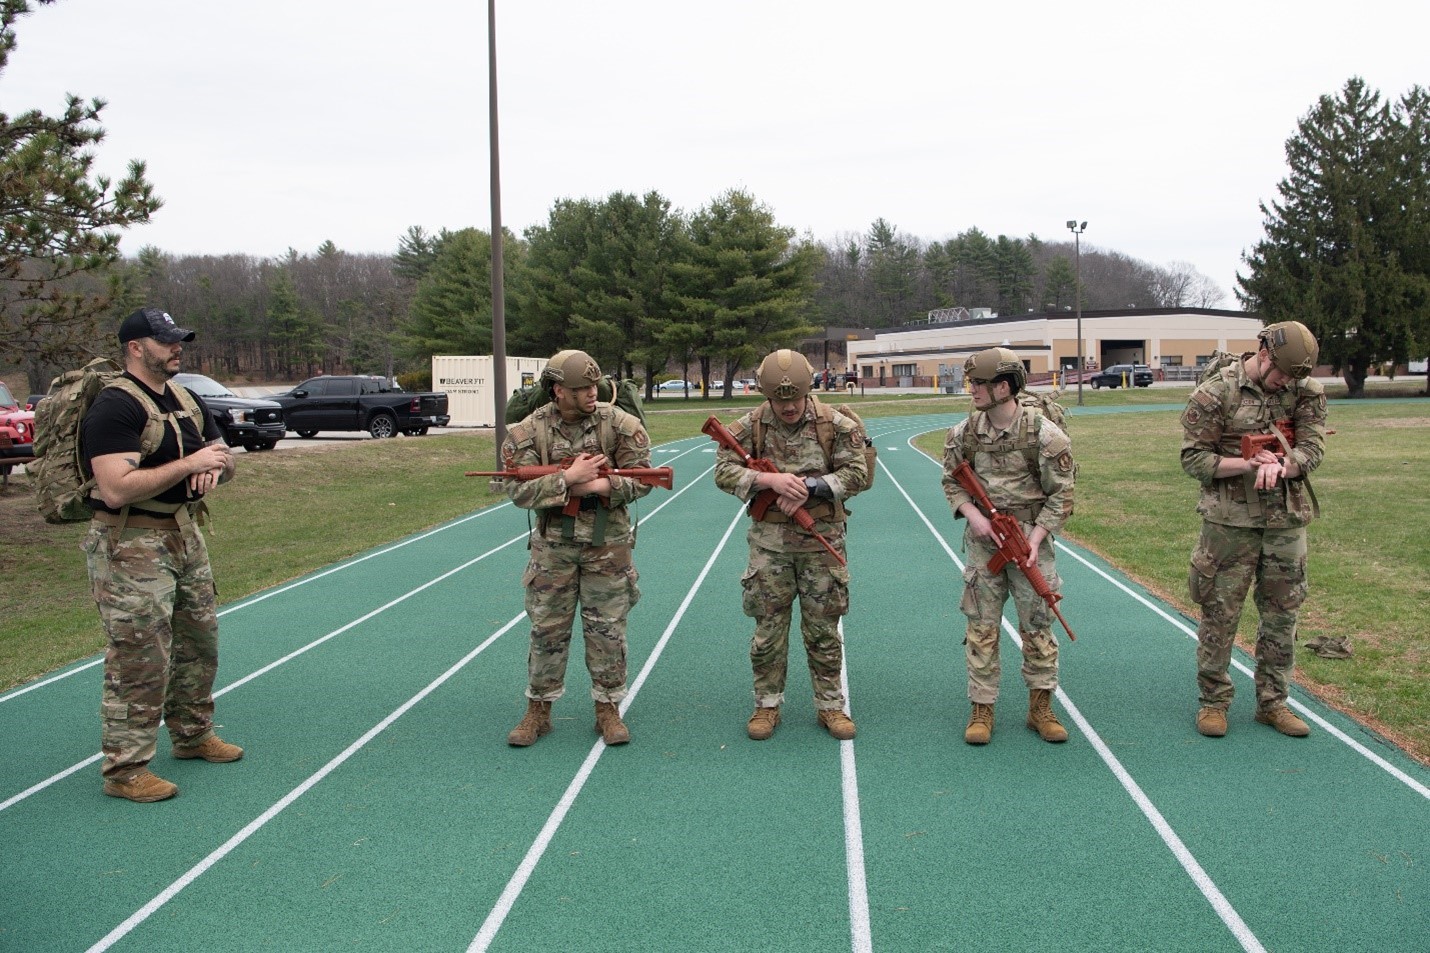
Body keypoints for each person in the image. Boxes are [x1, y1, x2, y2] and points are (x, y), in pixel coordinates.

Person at [82, 308, 242, 803]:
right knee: (140, 656)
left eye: (179, 342)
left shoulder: (186, 399)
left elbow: (222, 456)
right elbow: (114, 488)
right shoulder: (116, 406)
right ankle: (125, 770)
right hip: (131, 544)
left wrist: (214, 468)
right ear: (135, 347)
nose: (176, 349)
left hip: (184, 535)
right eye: (165, 342)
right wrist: (188, 464)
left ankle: (192, 736)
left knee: (199, 641)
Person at [713, 349, 868, 741]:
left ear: (808, 390)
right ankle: (766, 705)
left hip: (822, 541)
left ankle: (831, 705)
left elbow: (857, 473)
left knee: (823, 631)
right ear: (767, 395)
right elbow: (723, 471)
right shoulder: (749, 427)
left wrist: (811, 487)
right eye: (779, 400)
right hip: (770, 546)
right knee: (768, 631)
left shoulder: (836, 425)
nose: (788, 407)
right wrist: (769, 482)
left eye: (795, 399)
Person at [1181, 321, 1327, 738]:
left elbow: (1313, 447)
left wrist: (1284, 464)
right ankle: (1213, 701)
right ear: (1263, 354)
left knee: (1283, 614)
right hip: (1229, 523)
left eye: (1295, 377)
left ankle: (1273, 702)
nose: (1286, 384)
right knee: (1220, 612)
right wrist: (1247, 464)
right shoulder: (1215, 393)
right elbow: (1193, 459)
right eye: (1281, 374)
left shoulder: (1304, 389)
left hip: (1286, 521)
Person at [502, 350, 653, 747]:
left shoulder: (620, 425)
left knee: (607, 630)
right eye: (580, 388)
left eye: (593, 386)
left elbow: (645, 476)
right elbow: (515, 489)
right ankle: (539, 708)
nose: (591, 393)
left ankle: (608, 708)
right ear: (558, 391)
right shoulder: (527, 432)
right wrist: (568, 479)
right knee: (546, 629)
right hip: (553, 547)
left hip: (608, 545)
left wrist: (600, 486)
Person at [941, 348, 1075, 745]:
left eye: (978, 383)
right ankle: (982, 708)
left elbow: (1062, 495)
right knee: (981, 627)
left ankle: (1041, 707)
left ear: (1003, 387)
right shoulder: (964, 433)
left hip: (1031, 544)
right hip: (985, 546)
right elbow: (951, 480)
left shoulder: (1045, 436)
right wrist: (974, 515)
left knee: (1038, 625)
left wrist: (1034, 539)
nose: (973, 390)